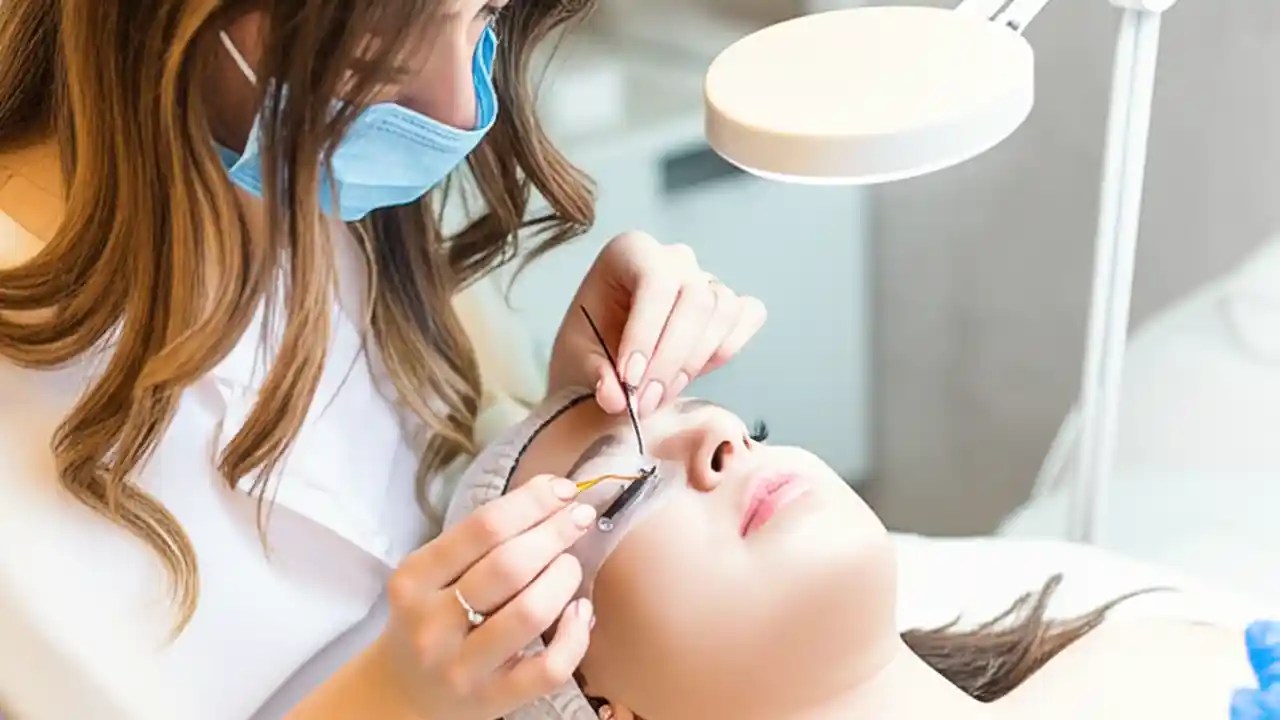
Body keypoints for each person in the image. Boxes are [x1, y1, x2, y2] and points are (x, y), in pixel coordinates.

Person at [0, 2, 766, 719]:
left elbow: (421, 510)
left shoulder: (335, 196)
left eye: (485, 13)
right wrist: (379, 701)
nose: (460, 112)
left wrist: (556, 416)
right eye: (376, 47)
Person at [443, 385, 1264, 720]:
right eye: (623, 490)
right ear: (595, 699)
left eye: (747, 425)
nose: (724, 435)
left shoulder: (1149, 657)